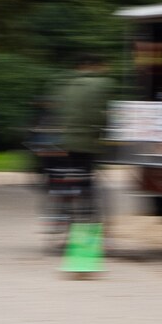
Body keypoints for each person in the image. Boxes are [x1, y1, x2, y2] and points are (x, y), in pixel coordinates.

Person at [46, 56, 115, 224]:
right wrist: (104, 127)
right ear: (95, 66)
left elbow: (57, 110)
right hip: (87, 141)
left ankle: (63, 212)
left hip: (65, 140)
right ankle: (87, 217)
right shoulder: (102, 83)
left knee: (69, 175)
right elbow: (98, 114)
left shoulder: (65, 83)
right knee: (86, 179)